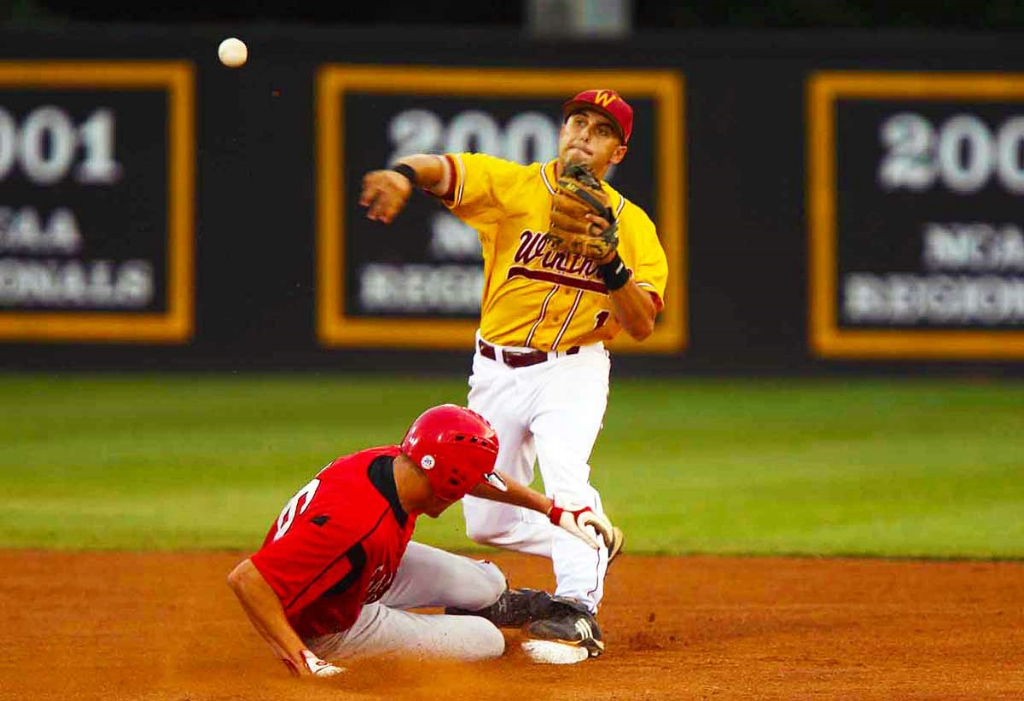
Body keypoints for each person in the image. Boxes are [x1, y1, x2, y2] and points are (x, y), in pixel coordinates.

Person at [358, 89, 668, 659]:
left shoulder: (635, 228)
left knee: (567, 474)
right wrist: (403, 174)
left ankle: (578, 609)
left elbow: (643, 322)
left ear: (617, 152)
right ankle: (589, 538)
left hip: (572, 369)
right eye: (577, 121)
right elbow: (444, 167)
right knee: (486, 520)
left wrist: (610, 263)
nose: (582, 134)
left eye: (600, 130)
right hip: (495, 368)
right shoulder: (516, 186)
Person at [227, 404, 615, 676]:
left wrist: (551, 509)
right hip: (329, 623)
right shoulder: (355, 523)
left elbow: (477, 476)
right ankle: (444, 626)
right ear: (447, 478)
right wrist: (302, 658)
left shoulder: (400, 462)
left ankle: (464, 611)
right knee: (487, 642)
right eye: (461, 483)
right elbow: (247, 580)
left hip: (361, 568)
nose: (466, 490)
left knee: (490, 584)